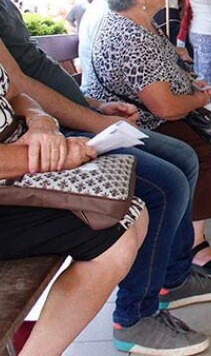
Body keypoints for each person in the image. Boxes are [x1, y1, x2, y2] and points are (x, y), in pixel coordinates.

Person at [0, 0, 211, 354]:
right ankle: (136, 314)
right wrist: (75, 125)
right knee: (165, 178)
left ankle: (169, 277)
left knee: (182, 159)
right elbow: (162, 105)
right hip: (40, 148)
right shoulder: (122, 28)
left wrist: (44, 116)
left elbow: (14, 85)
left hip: (56, 127)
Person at [84, 0, 211, 275]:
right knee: (199, 149)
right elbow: (163, 107)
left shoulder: (138, 23)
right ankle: (193, 246)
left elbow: (162, 74)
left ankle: (190, 242)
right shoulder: (131, 35)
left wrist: (187, 81)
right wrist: (197, 100)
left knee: (199, 144)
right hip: (138, 123)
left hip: (146, 116)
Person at [0, 61, 147, 356]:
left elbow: (14, 93)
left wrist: (41, 120)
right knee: (115, 232)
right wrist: (46, 159)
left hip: (20, 168)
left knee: (129, 210)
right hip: (15, 172)